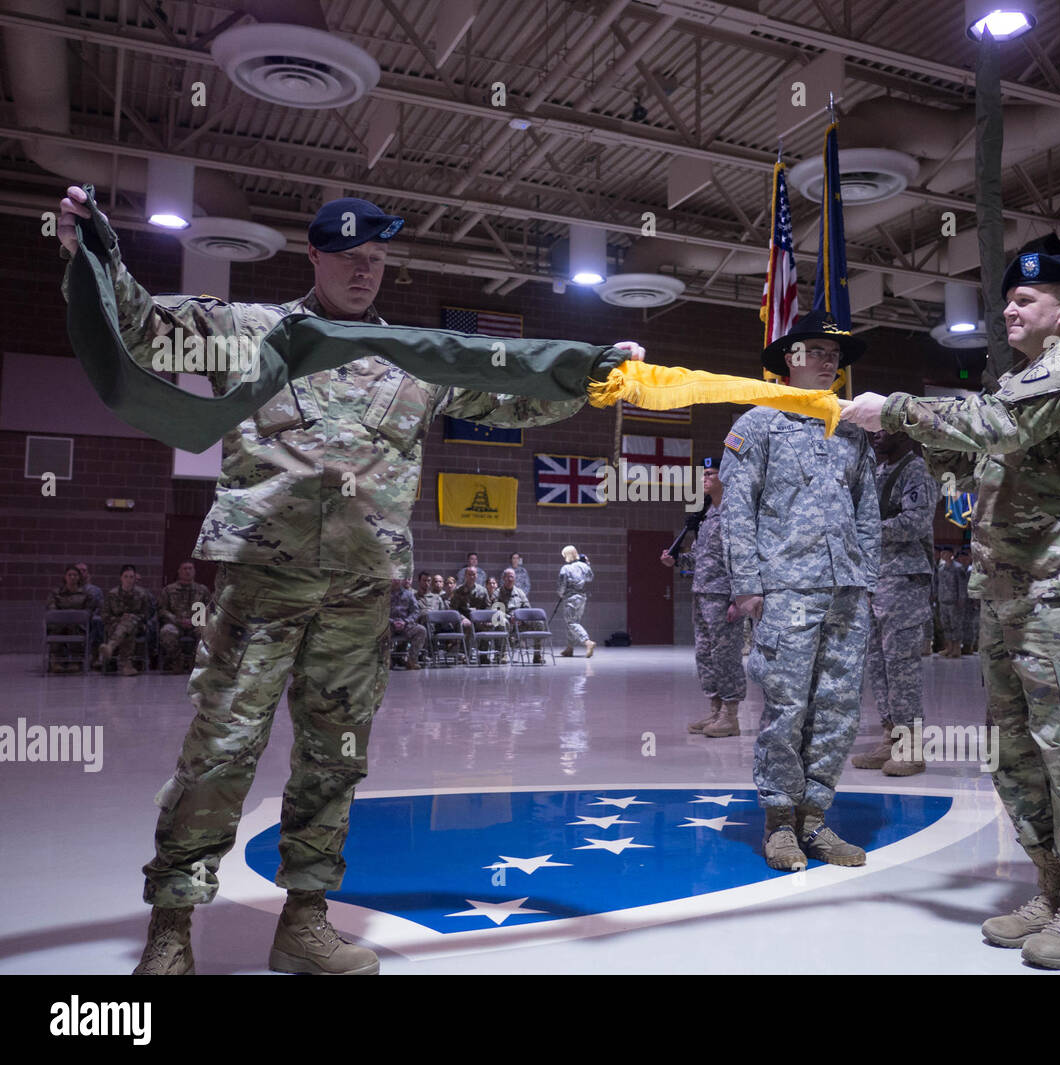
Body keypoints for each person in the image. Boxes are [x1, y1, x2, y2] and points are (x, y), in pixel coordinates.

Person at [58, 184, 646, 975]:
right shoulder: (253, 333)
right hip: (261, 589)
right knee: (220, 752)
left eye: (375, 259)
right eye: (347, 258)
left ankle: (304, 921)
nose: (363, 272)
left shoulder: (414, 354)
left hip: (361, 597)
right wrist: (95, 250)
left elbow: (511, 392)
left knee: (334, 758)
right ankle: (172, 928)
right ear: (315, 256)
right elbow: (145, 329)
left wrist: (597, 375)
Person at [843, 233, 1060, 969]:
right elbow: (977, 456)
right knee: (1016, 756)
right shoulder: (1021, 382)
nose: (1009, 306)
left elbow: (994, 427)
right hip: (1009, 592)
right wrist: (914, 437)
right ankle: (1053, 887)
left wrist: (901, 409)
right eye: (1007, 296)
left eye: (1026, 298)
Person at [723, 311, 879, 872]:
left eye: (834, 353)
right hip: (787, 587)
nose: (828, 359)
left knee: (838, 709)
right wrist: (747, 584)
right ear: (788, 359)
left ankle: (815, 817)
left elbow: (868, 511)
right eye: (815, 349)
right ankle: (779, 821)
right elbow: (736, 507)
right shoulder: (758, 424)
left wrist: (869, 580)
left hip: (845, 589)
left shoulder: (852, 428)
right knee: (786, 707)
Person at [852, 429, 937, 775]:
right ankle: (890, 736)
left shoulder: (916, 470)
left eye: (885, 428)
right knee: (878, 663)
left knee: (902, 666)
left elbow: (915, 522)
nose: (876, 434)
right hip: (875, 578)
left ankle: (912, 746)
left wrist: (867, 529)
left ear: (906, 433)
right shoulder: (877, 471)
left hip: (904, 580)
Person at [661, 458, 745, 738]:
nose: (704, 479)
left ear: (725, 476)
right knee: (705, 654)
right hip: (702, 593)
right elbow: (700, 558)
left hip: (723, 595)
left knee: (725, 655)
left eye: (710, 474)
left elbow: (742, 557)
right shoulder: (706, 515)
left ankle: (730, 716)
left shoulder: (736, 511)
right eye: (702, 475)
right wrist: (677, 561)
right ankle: (715, 710)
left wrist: (738, 598)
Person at [157, 562, 211, 674]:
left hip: (196, 623)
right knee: (166, 632)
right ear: (179, 571)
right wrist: (176, 619)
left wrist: (196, 621)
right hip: (175, 623)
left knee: (207, 633)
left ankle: (194, 661)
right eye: (185, 569)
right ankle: (178, 661)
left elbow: (209, 609)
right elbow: (162, 610)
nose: (187, 571)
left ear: (194, 571)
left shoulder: (202, 590)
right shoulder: (168, 590)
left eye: (190, 568)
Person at [98, 564, 150, 676]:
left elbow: (147, 614)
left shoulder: (142, 594)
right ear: (121, 578)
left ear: (135, 578)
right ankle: (126, 665)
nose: (129, 580)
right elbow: (104, 615)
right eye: (126, 576)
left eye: (131, 577)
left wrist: (133, 617)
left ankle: (110, 647)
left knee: (129, 623)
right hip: (115, 625)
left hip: (138, 625)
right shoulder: (112, 594)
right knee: (127, 629)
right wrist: (119, 618)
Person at [46, 564, 96, 672]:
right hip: (59, 623)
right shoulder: (56, 593)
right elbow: (52, 609)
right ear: (65, 577)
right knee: (55, 629)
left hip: (77, 624)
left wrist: (75, 617)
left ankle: (75, 661)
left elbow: (88, 611)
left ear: (79, 577)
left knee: (76, 629)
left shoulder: (86, 594)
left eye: (75, 575)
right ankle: (56, 661)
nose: (72, 577)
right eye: (70, 575)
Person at [495, 568, 541, 663]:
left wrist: (521, 618)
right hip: (506, 622)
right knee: (503, 622)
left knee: (539, 623)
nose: (510, 579)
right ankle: (503, 654)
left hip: (520, 623)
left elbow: (527, 607)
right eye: (508, 577)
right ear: (504, 578)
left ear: (515, 578)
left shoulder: (520, 592)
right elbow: (496, 610)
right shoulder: (497, 593)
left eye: (512, 577)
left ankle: (537, 655)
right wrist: (509, 617)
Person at [557, 546, 596, 657]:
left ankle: (588, 642)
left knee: (571, 622)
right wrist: (587, 564)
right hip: (582, 598)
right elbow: (590, 578)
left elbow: (561, 585)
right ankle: (569, 648)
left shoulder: (565, 568)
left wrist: (560, 594)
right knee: (574, 622)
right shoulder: (584, 566)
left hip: (571, 598)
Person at [450, 565, 493, 661]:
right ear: (465, 576)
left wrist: (485, 618)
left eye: (473, 574)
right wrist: (462, 618)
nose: (472, 577)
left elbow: (487, 607)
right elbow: (453, 609)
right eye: (469, 574)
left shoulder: (482, 590)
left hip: (478, 620)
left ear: (476, 576)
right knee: (468, 626)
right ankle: (465, 655)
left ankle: (483, 656)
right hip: (464, 620)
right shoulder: (458, 591)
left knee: (487, 625)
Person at [388, 578, 427, 669]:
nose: (397, 581)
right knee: (380, 631)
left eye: (399, 579)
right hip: (389, 625)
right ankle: (386, 661)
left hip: (405, 624)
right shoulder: (384, 594)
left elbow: (415, 612)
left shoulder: (409, 594)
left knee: (421, 630)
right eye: (394, 579)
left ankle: (411, 661)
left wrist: (405, 621)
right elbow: (380, 612)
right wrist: (392, 621)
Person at [934, 546, 962, 658]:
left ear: (951, 554)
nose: (943, 555)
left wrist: (961, 599)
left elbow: (961, 585)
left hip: (954, 601)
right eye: (942, 553)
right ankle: (949, 647)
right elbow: (937, 584)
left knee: (955, 625)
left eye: (946, 553)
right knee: (945, 625)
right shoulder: (941, 568)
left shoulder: (958, 568)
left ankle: (956, 649)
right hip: (943, 600)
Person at [75, 561, 105, 649]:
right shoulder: (66, 590)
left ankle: (94, 656)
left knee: (99, 622)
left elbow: (100, 609)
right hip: (72, 622)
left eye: (84, 570)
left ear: (87, 573)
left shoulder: (95, 590)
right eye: (79, 570)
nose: (81, 573)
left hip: (91, 623)